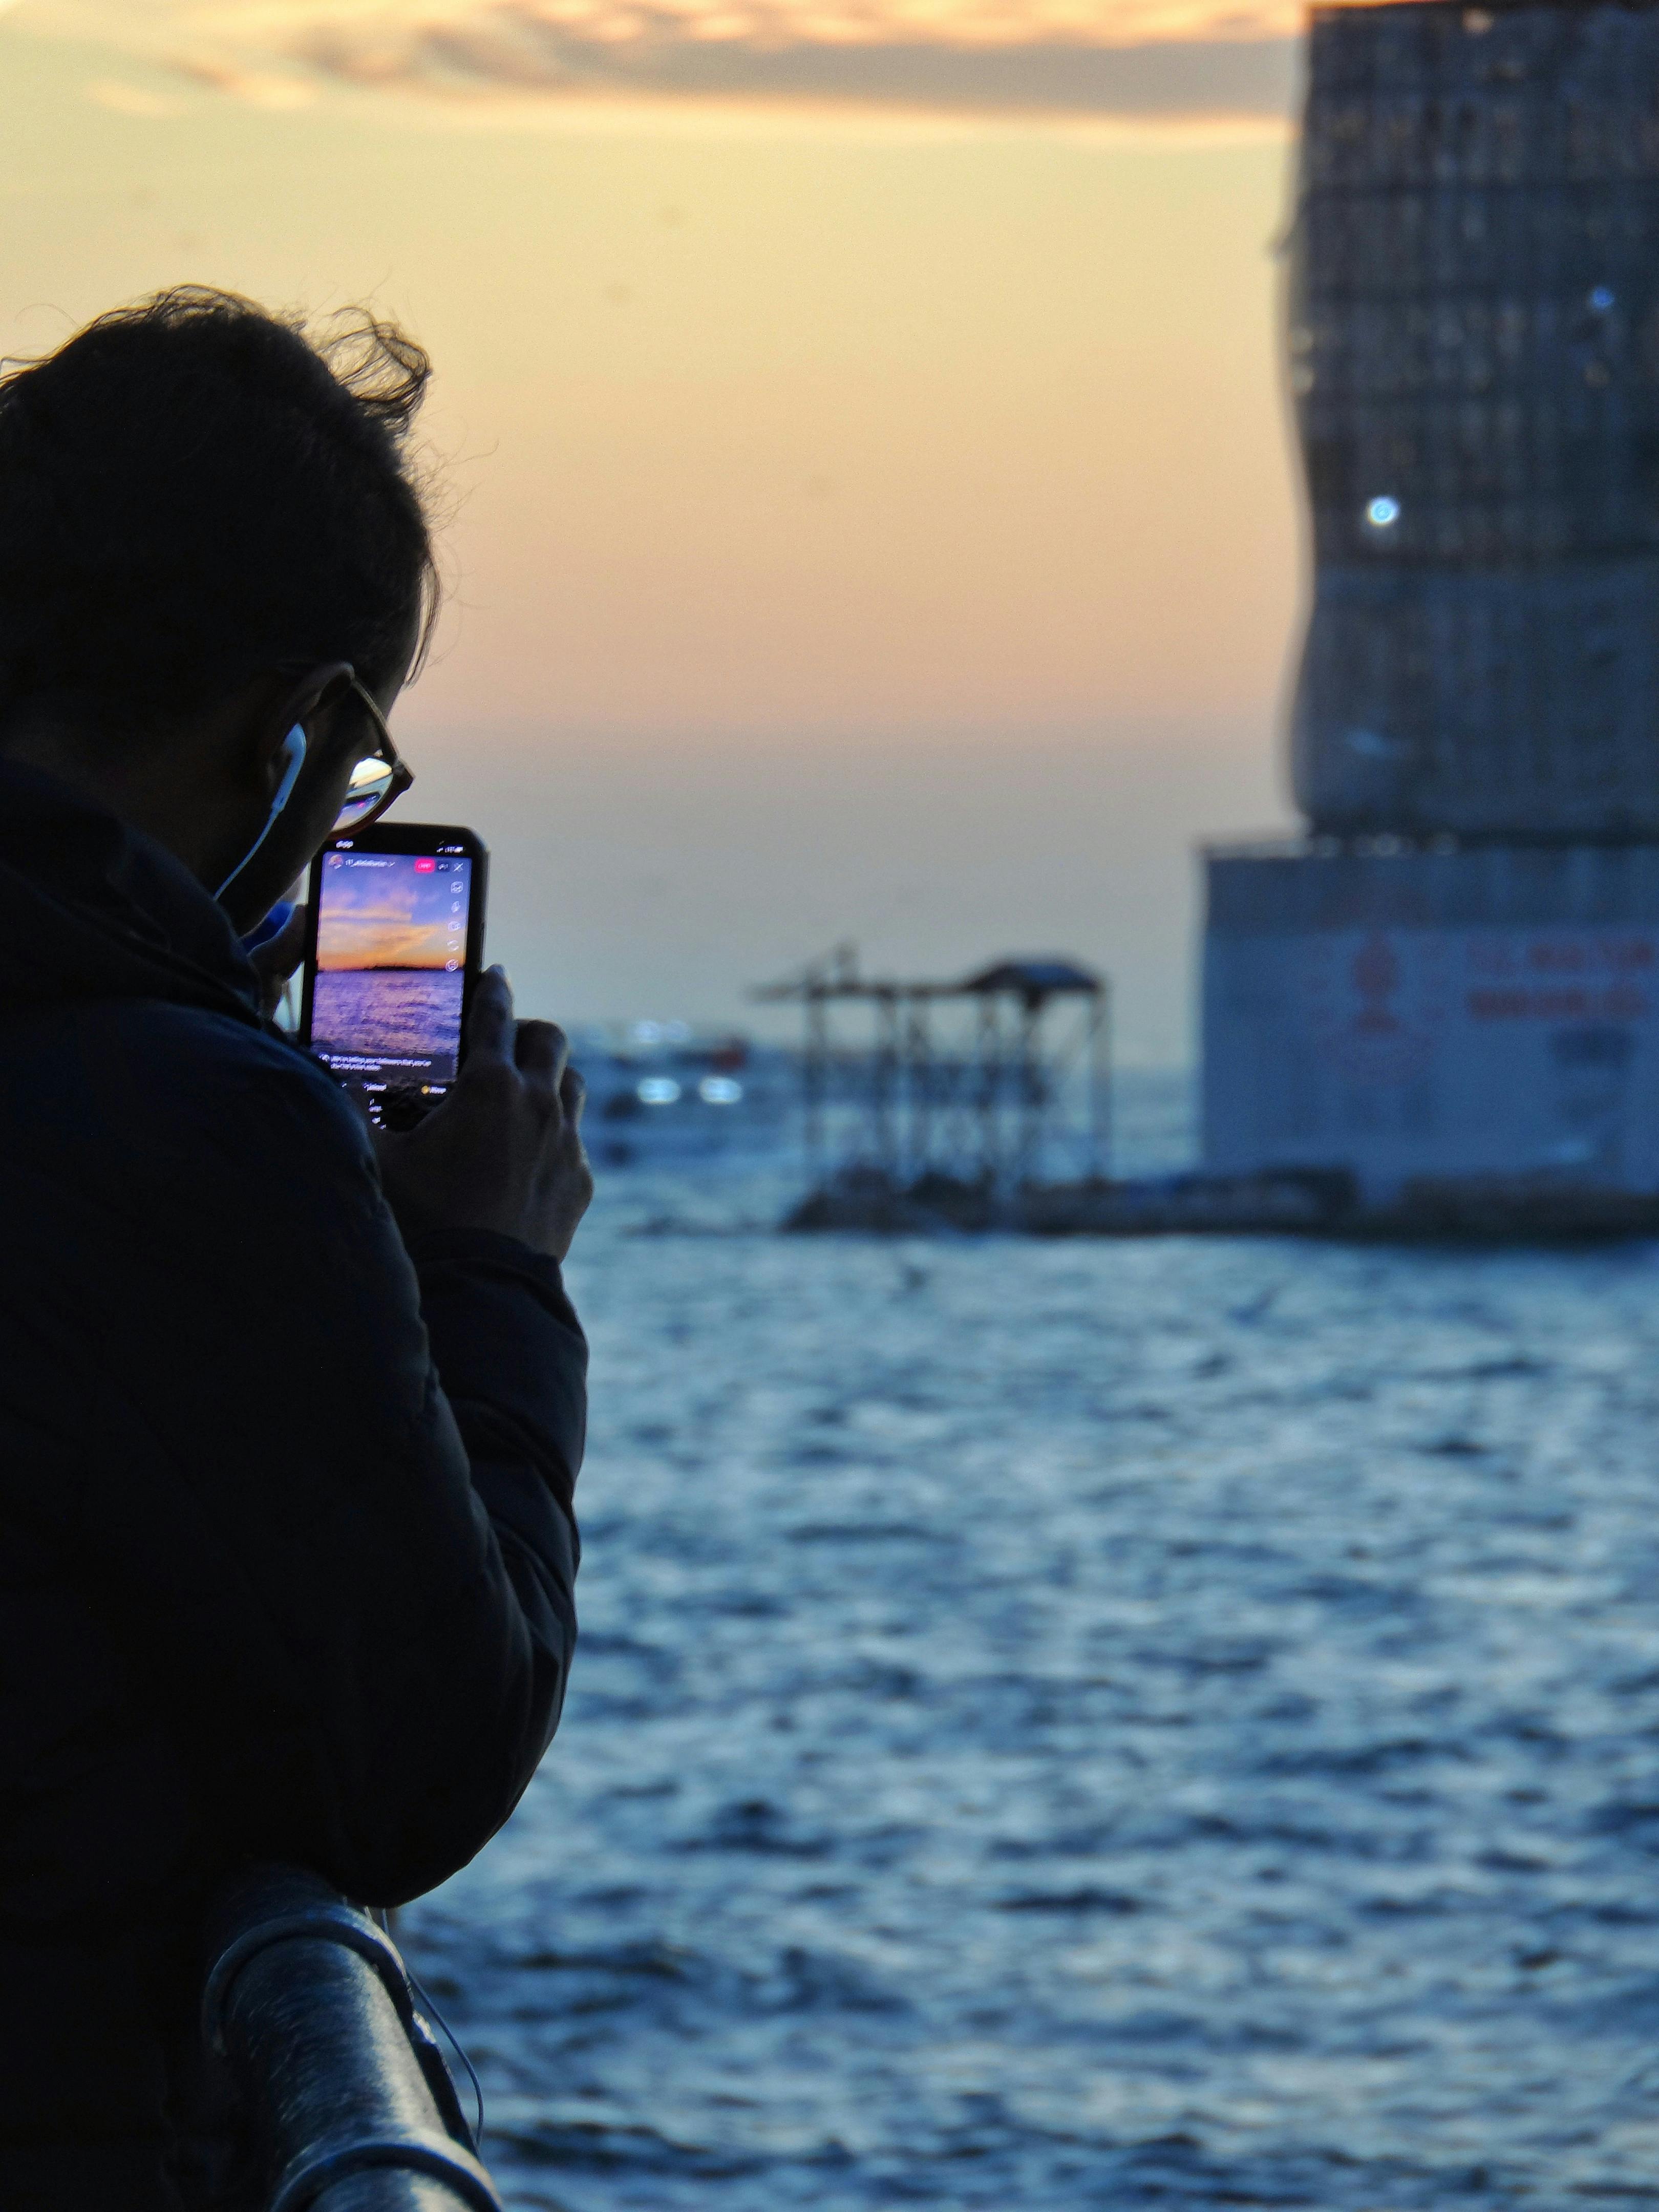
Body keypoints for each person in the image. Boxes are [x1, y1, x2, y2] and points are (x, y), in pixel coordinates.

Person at [0, 288, 593, 2207]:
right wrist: (488, 1273)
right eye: (350, 776)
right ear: (294, 729)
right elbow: (418, 1755)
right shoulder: (180, 1122)